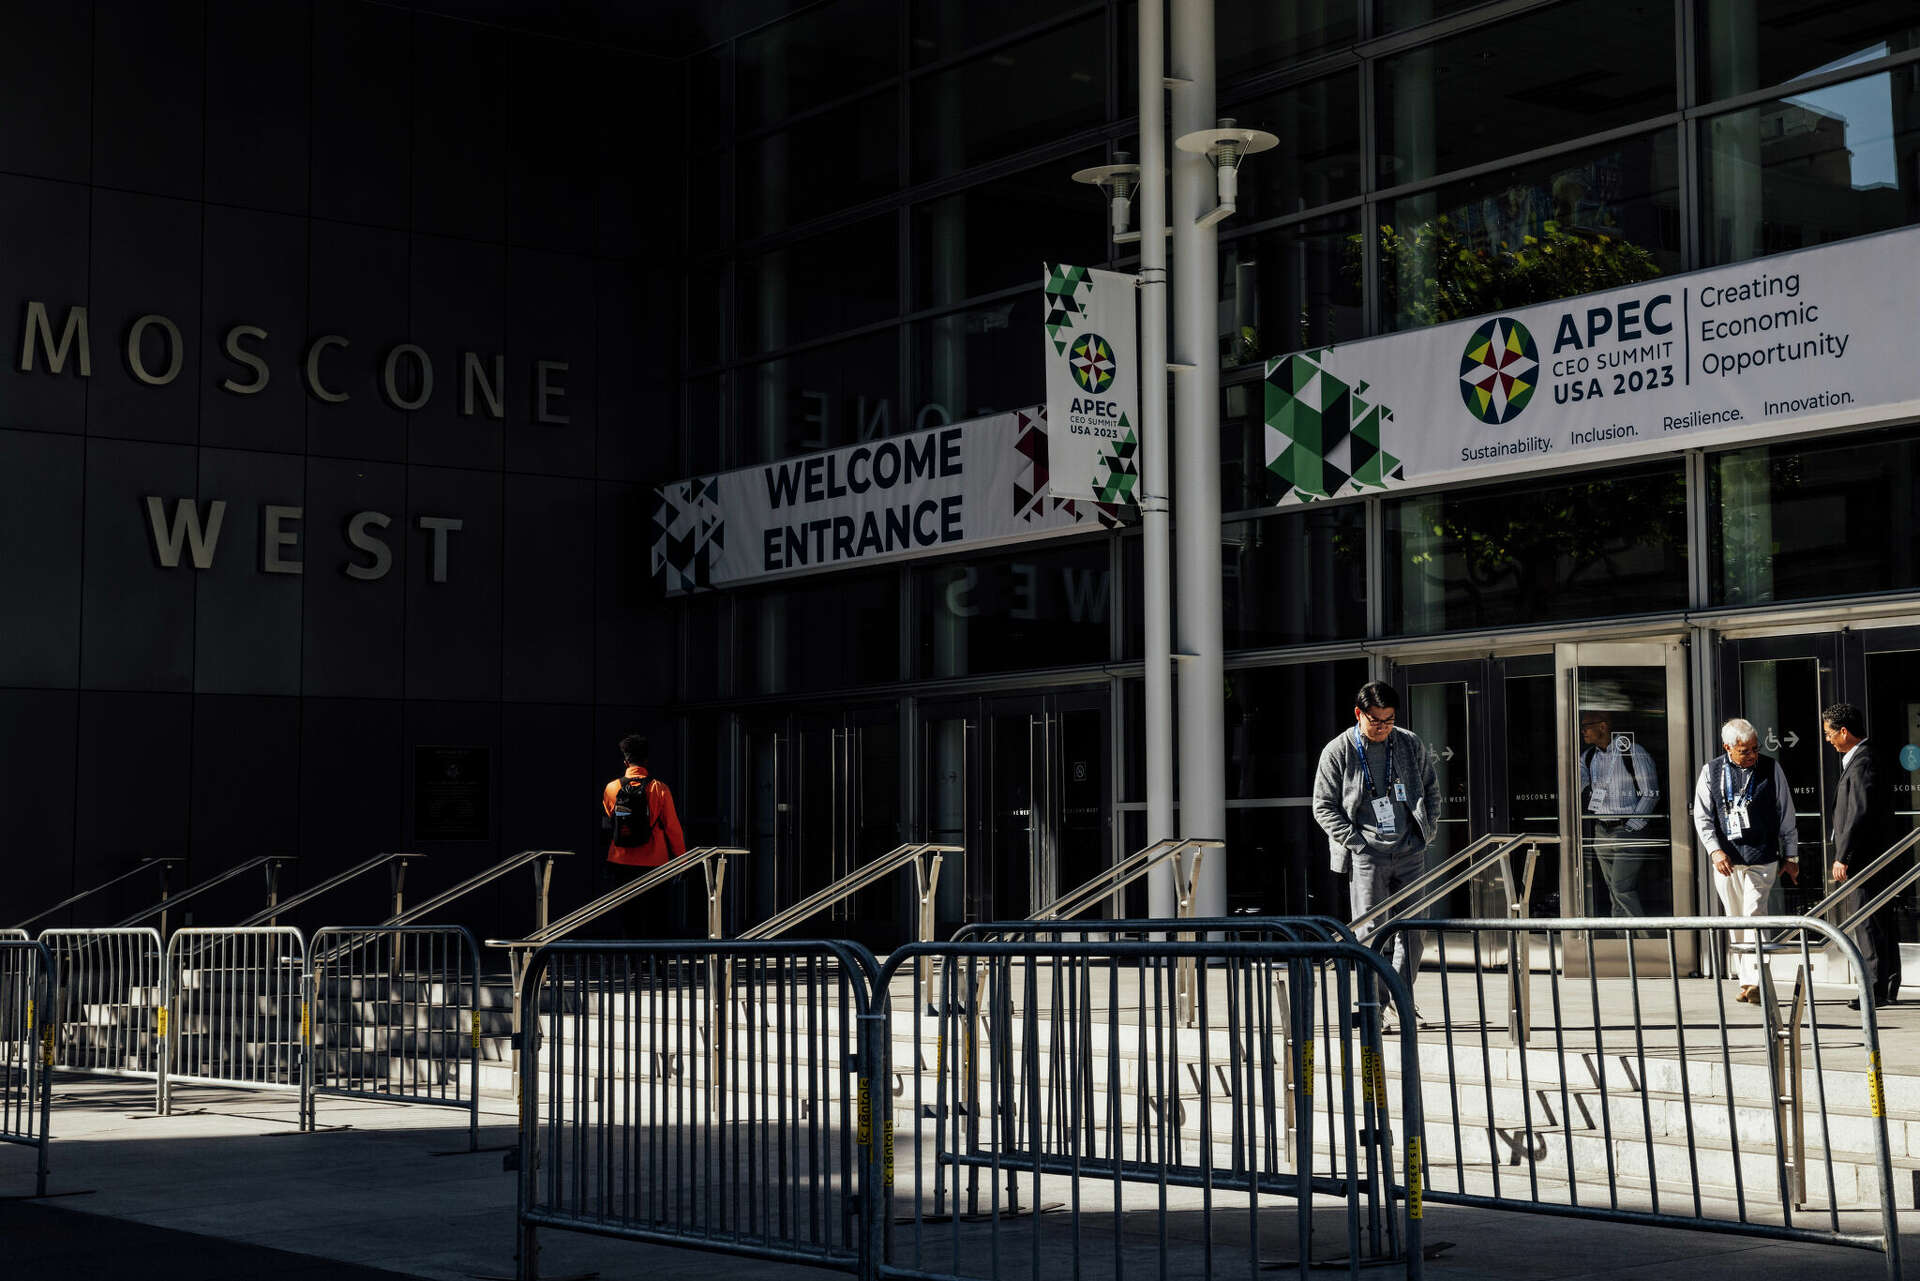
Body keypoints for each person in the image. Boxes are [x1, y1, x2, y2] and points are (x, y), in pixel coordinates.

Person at [1312, 681, 1441, 1021]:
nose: (1383, 727)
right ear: (1359, 714)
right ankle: (1374, 1006)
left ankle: (1401, 998)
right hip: (1367, 855)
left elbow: (1431, 790)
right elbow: (1323, 807)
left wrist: (1425, 834)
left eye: (1389, 719)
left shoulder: (1408, 743)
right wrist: (1356, 842)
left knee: (1413, 932)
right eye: (1376, 720)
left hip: (1410, 852)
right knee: (1372, 934)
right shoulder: (1338, 751)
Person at [1691, 718, 1798, 1005]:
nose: (1752, 755)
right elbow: (1702, 816)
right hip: (1726, 859)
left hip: (1761, 856)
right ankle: (1746, 980)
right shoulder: (1711, 771)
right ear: (1727, 747)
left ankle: (1757, 982)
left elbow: (1786, 812)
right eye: (1743, 750)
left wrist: (1791, 854)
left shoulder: (1771, 769)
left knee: (1754, 913)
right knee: (1735, 919)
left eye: (1755, 748)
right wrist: (1715, 850)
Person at [1823, 702, 1901, 1009]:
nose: (1827, 739)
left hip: (1864, 859)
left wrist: (1843, 855)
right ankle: (1887, 985)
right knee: (1879, 921)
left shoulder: (1863, 762)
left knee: (1868, 922)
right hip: (1870, 856)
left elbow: (1858, 813)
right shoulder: (1861, 760)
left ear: (1844, 732)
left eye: (1829, 733)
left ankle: (1873, 989)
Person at [601, 734, 687, 938]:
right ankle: (655, 964)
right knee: (656, 917)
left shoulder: (612, 788)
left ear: (625, 761)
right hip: (654, 862)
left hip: (620, 861)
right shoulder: (659, 788)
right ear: (646, 760)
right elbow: (672, 828)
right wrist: (681, 858)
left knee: (628, 916)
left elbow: (608, 823)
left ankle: (632, 965)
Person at [1579, 709, 1661, 919]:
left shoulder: (1633, 751)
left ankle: (1644, 939)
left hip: (1627, 830)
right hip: (1602, 831)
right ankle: (1623, 942)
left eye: (1586, 726)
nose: (1582, 731)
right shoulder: (1588, 757)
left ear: (1603, 726)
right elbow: (1578, 787)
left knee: (1621, 889)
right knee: (1614, 892)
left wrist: (1631, 827)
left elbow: (1651, 793)